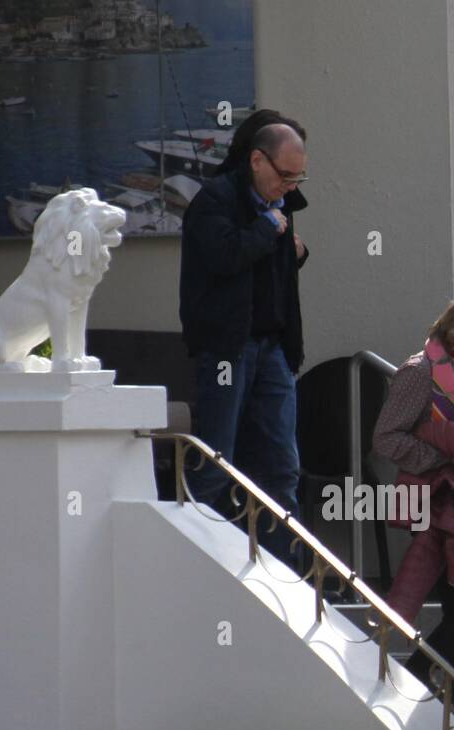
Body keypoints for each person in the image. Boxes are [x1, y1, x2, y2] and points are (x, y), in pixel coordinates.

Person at [179, 109, 310, 568]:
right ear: (257, 160)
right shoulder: (214, 201)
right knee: (217, 460)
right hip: (227, 350)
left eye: (299, 177)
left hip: (273, 346)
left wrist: (297, 249)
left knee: (281, 466)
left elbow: (275, 272)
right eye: (286, 176)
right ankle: (203, 564)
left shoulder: (281, 202)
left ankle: (283, 573)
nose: (292, 186)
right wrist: (267, 229)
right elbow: (226, 257)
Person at [372, 290, 454, 690]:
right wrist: (442, 458)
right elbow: (386, 438)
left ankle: (412, 677)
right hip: (432, 502)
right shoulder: (418, 372)